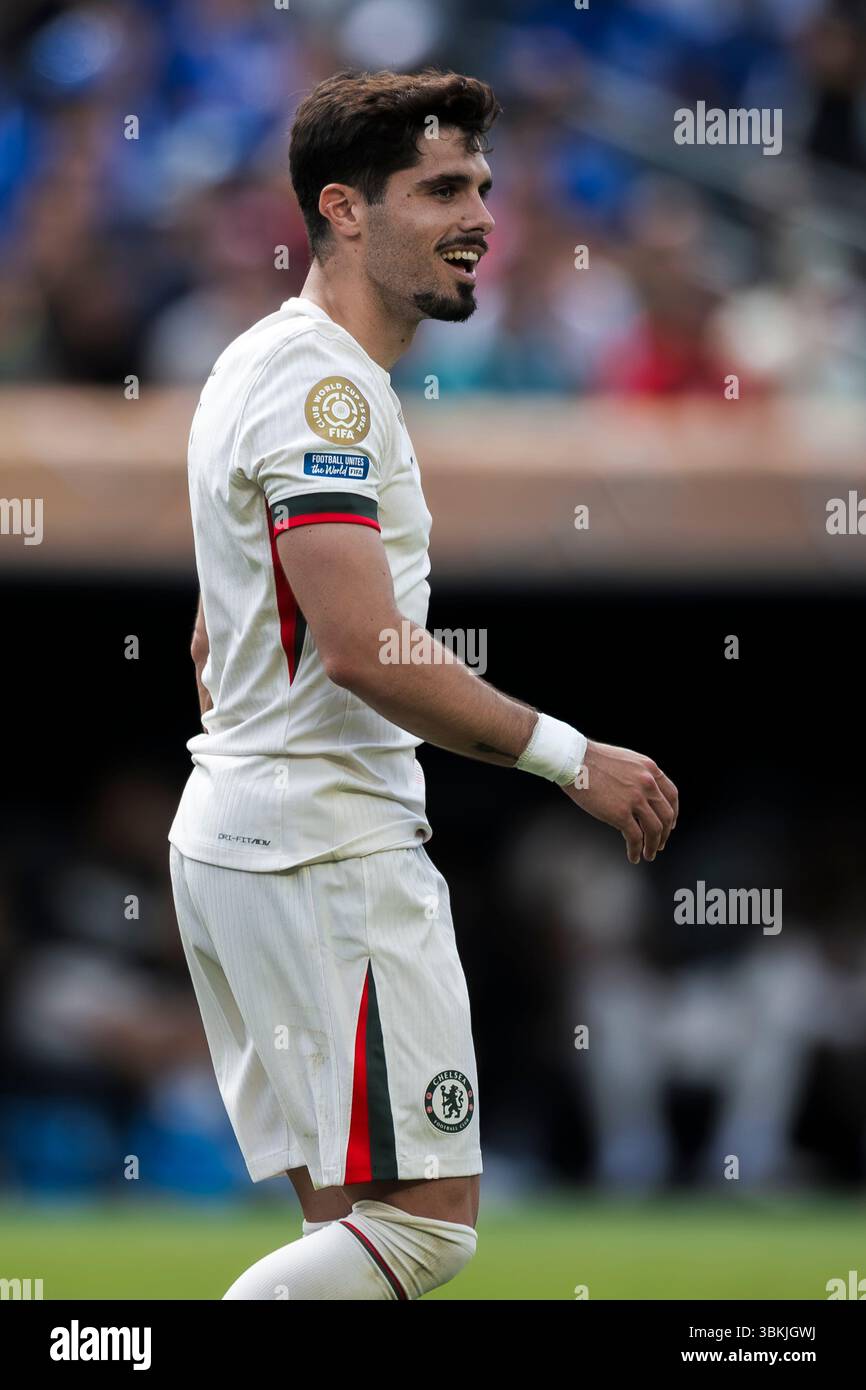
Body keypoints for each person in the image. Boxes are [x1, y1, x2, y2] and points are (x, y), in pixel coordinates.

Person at [168, 67, 679, 1301]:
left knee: (350, 1228)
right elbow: (359, 643)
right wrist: (570, 755)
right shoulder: (325, 387)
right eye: (440, 188)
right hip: (326, 853)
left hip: (251, 838)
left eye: (484, 187)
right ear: (342, 209)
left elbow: (209, 639)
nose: (482, 217)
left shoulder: (259, 363)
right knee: (423, 1232)